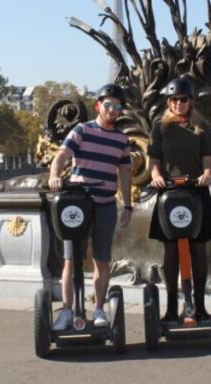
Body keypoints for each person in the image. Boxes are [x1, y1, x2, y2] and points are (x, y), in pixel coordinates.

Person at [48, 84, 133, 330]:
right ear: (98, 106)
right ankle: (66, 311)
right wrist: (55, 176)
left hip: (106, 204)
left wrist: (127, 205)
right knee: (71, 259)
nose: (112, 110)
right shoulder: (81, 130)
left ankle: (98, 309)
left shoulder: (122, 140)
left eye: (117, 107)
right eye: (108, 105)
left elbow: (125, 173)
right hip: (79, 204)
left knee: (102, 260)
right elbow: (61, 156)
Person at [148, 77, 211, 322]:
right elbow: (154, 158)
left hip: (195, 191)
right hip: (169, 192)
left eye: (183, 99)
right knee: (171, 251)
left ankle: (198, 306)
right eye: (174, 100)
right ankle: (170, 309)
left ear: (191, 102)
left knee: (198, 249)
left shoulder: (202, 127)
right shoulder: (160, 126)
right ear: (168, 102)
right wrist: (156, 175)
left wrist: (208, 173)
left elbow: (208, 157)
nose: (179, 104)